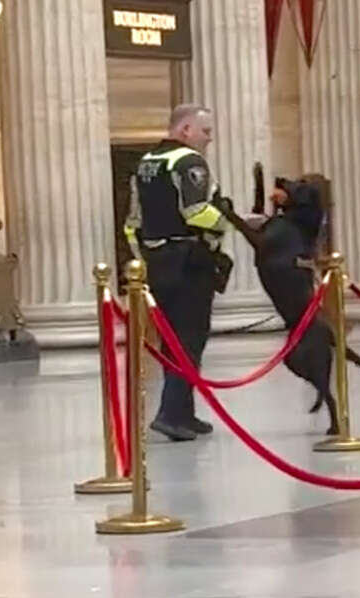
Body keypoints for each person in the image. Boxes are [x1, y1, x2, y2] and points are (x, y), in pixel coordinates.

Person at [123, 104, 231, 442]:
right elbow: (196, 211)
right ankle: (170, 414)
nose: (209, 139)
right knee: (190, 338)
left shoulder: (146, 162)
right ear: (185, 130)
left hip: (158, 261)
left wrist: (145, 258)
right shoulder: (189, 162)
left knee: (171, 338)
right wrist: (229, 222)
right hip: (188, 261)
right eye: (205, 131)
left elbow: (132, 222)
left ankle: (184, 412)